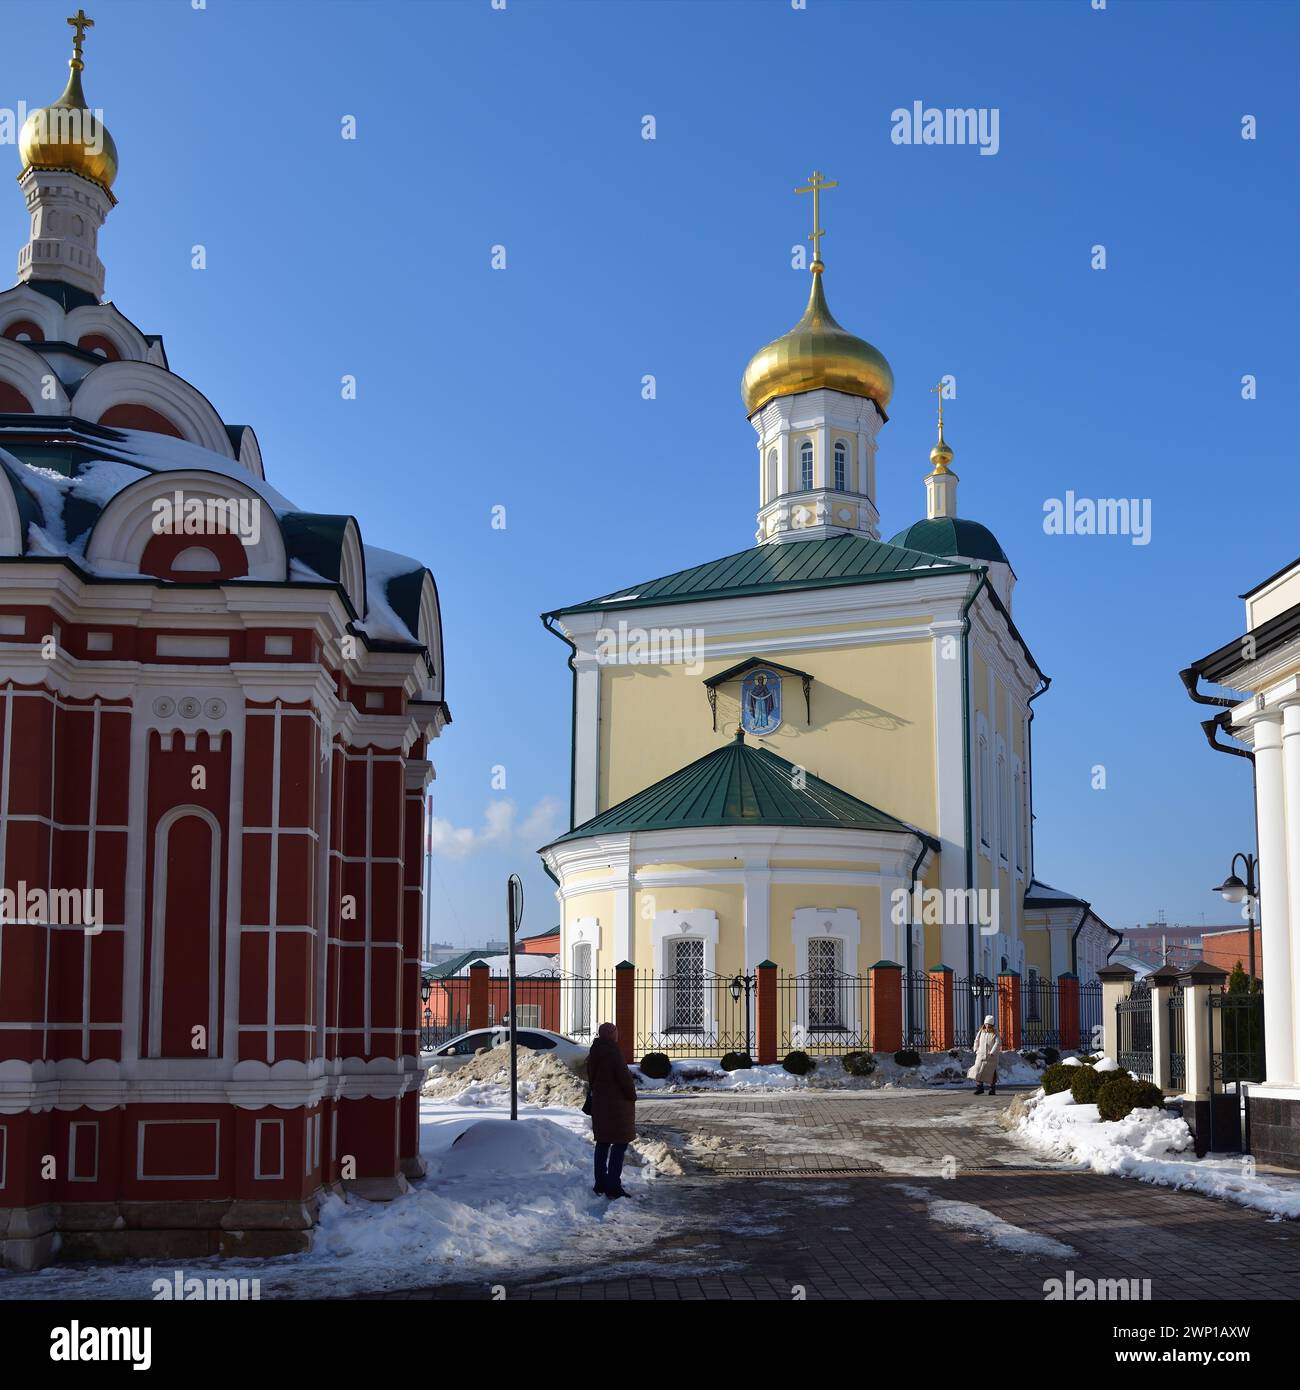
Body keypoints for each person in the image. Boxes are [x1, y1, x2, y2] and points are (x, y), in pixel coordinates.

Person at [585, 1021, 636, 1199]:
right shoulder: (613, 1052)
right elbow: (624, 1079)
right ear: (612, 1035)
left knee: (603, 1142)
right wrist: (632, 1095)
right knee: (620, 1144)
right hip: (616, 1106)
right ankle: (613, 1185)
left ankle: (600, 1182)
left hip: (600, 1104)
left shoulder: (594, 1051)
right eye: (615, 1032)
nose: (617, 1035)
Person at [970, 1014, 1002, 1095]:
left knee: (991, 1072)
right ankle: (979, 1087)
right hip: (980, 1054)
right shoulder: (981, 1031)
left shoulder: (995, 1032)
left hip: (991, 1056)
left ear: (992, 1025)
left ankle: (992, 1089)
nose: (987, 1026)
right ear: (984, 1024)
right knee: (978, 1070)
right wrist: (976, 1049)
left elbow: (997, 1043)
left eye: (989, 1024)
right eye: (986, 1024)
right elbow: (976, 1040)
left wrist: (992, 1052)